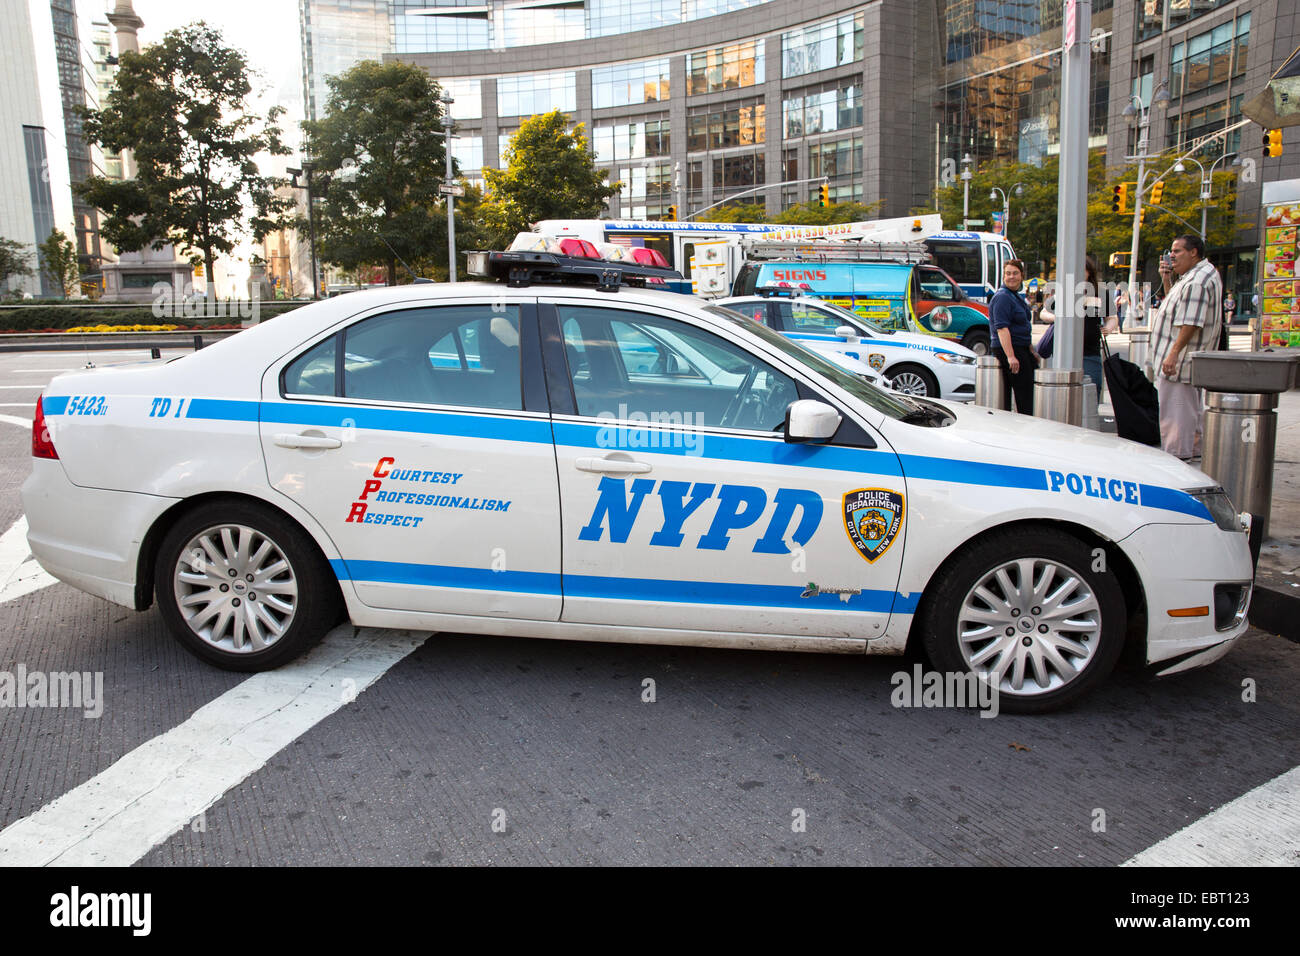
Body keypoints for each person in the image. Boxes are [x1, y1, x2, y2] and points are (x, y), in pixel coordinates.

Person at [1150, 234, 1224, 460]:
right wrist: (1167, 279)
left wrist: (1172, 355)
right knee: (1189, 413)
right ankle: (1190, 453)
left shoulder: (1197, 281)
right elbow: (1181, 307)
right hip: (1184, 363)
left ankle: (1177, 459)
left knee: (1176, 416)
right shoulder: (1197, 275)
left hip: (1179, 365)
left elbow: (1190, 322)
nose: (1172, 256)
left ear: (1194, 253)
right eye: (1171, 252)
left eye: (1177, 251)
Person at [989, 259, 1036, 413]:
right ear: (1003, 276)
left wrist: (1031, 350)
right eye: (1008, 273)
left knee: (1029, 389)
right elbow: (1002, 328)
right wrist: (1010, 356)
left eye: (1015, 273)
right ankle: (1024, 426)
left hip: (1020, 348)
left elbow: (1023, 326)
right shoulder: (1002, 297)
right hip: (1010, 348)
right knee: (1024, 393)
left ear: (1022, 276)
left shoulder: (1014, 296)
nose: (1011, 277)